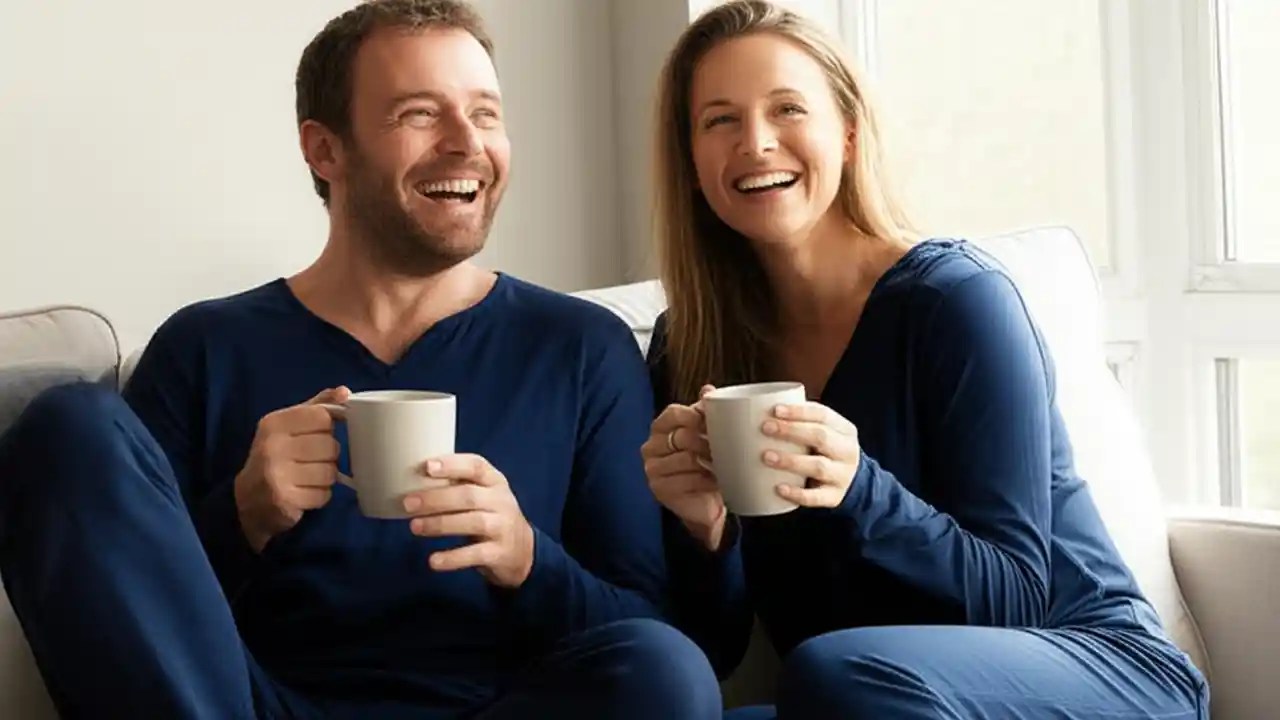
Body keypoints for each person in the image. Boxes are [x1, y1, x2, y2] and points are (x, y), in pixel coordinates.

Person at [0, 1, 724, 718]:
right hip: (252, 707)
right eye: (418, 113)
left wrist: (529, 559)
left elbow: (649, 625)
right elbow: (135, 615)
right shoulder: (204, 349)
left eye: (486, 113)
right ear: (324, 149)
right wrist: (243, 516)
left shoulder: (579, 348)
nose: (465, 142)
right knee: (66, 426)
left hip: (499, 708)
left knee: (662, 669)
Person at [641, 1, 1211, 718]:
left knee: (838, 670)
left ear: (846, 136)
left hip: (1099, 666)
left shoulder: (956, 302)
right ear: (691, 161)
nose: (755, 142)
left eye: (787, 109)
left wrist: (858, 490)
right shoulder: (690, 344)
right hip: (867, 694)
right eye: (720, 119)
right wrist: (705, 531)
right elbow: (715, 651)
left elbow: (1015, 597)